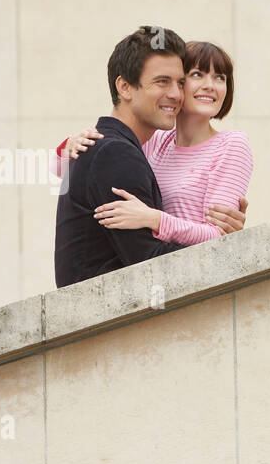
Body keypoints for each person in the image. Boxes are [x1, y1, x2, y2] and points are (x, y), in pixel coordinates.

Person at [54, 41, 252, 248]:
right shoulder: (157, 140)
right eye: (197, 74)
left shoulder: (232, 144)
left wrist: (154, 219)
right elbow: (67, 170)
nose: (210, 86)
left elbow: (218, 238)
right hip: (158, 269)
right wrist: (70, 146)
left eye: (220, 77)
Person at [53, 25, 191, 288]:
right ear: (125, 87)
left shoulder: (106, 146)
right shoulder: (115, 154)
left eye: (180, 83)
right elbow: (152, 266)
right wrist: (223, 244)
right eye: (162, 81)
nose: (176, 94)